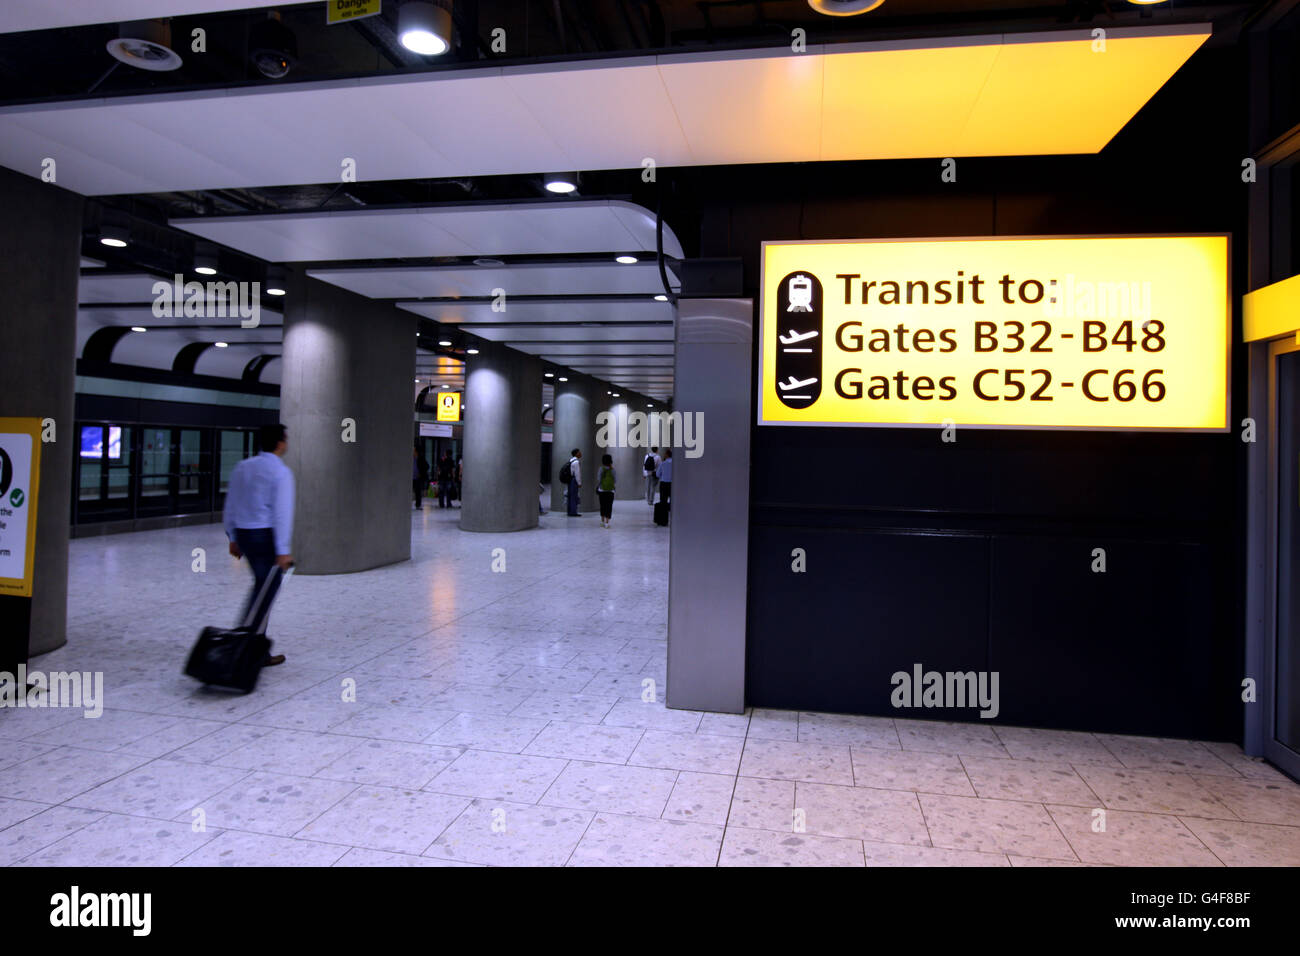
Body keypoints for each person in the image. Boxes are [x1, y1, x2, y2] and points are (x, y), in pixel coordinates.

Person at [223, 422, 294, 667]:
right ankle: (245, 646)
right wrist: (283, 550)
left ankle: (253, 647)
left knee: (262, 587)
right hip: (264, 536)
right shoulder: (280, 472)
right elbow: (282, 514)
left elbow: (231, 502)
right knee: (265, 590)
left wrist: (232, 536)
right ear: (281, 442)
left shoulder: (243, 467)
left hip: (244, 533)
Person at [596, 453, 616, 528]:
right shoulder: (613, 470)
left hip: (602, 490)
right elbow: (615, 480)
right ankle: (607, 523)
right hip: (611, 491)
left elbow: (599, 479)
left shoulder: (601, 469)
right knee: (609, 506)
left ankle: (602, 521)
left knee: (602, 505)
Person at [566, 448, 582, 516]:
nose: (580, 453)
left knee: (570, 496)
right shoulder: (576, 462)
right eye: (579, 452)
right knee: (574, 496)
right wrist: (579, 483)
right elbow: (577, 474)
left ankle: (570, 511)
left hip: (570, 480)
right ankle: (573, 512)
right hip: (574, 480)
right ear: (576, 453)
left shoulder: (571, 460)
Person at [657, 448, 673, 514]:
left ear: (667, 455)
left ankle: (663, 518)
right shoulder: (675, 463)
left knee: (663, 501)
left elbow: (657, 474)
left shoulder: (663, 463)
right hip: (672, 484)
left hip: (663, 483)